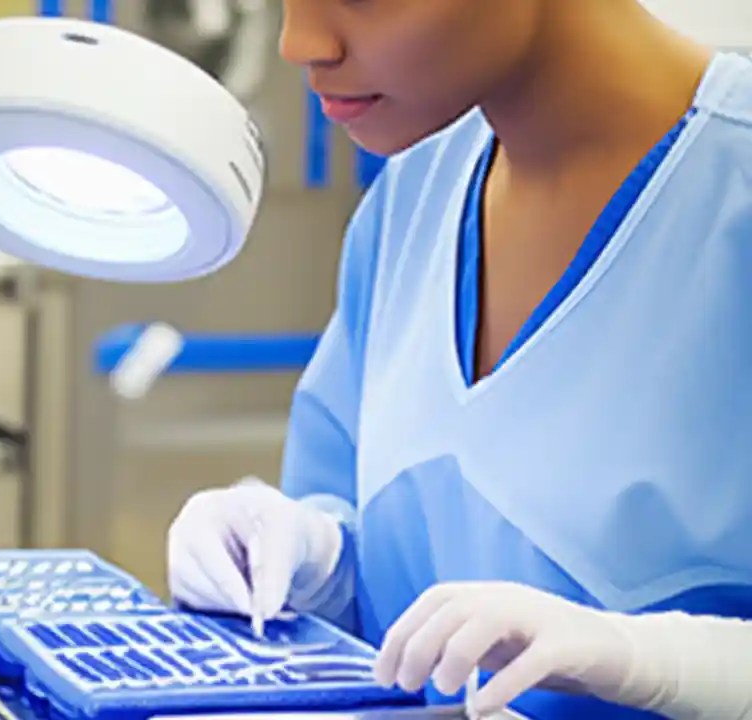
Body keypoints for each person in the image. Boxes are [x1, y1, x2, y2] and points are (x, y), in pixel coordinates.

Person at [166, 0, 752, 717]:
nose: (301, 42)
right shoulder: (414, 198)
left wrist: (661, 664)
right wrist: (314, 559)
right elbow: (395, 570)